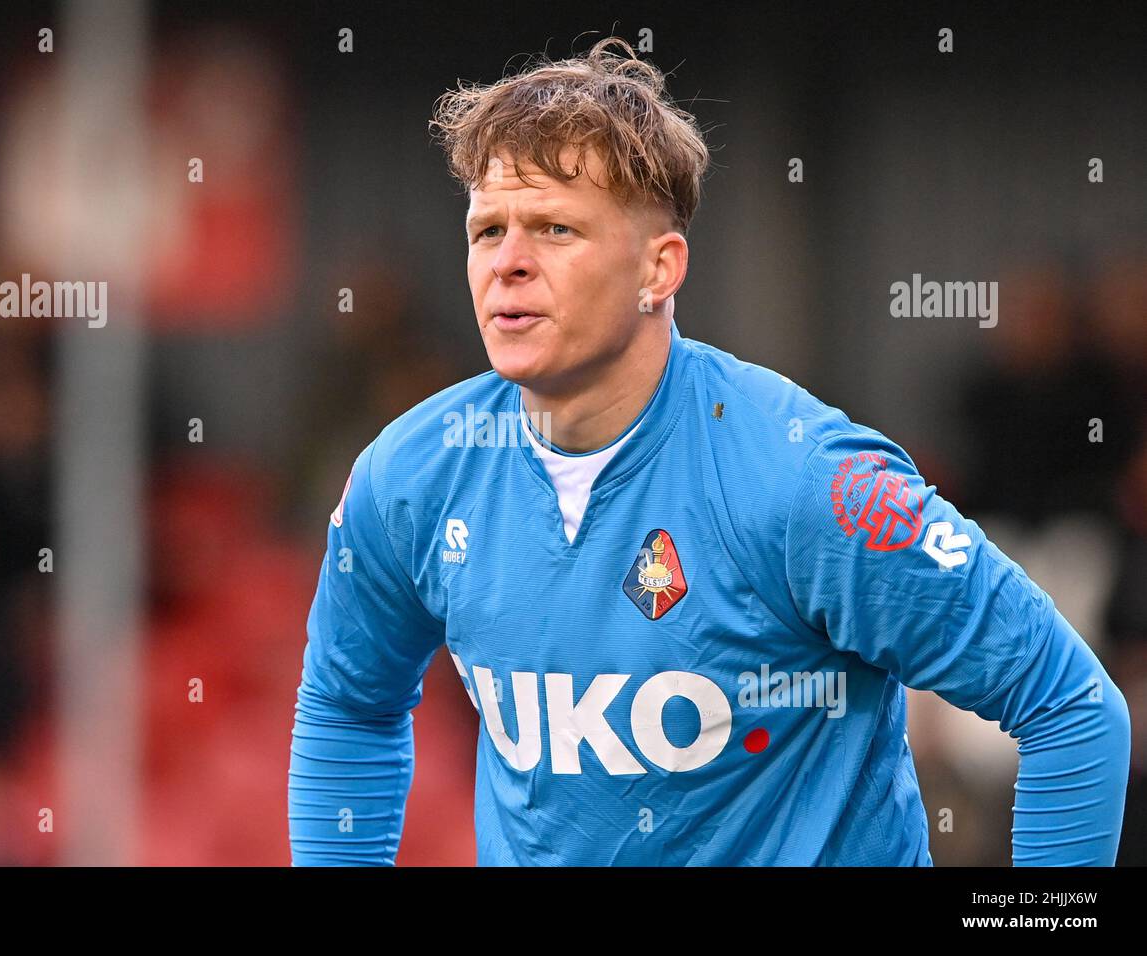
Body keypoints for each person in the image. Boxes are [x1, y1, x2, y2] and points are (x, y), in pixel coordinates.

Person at [287, 37, 1130, 865]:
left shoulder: (804, 481)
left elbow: (1073, 708)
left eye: (553, 228)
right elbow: (348, 708)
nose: (507, 263)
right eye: (487, 230)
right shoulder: (409, 476)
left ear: (660, 269)